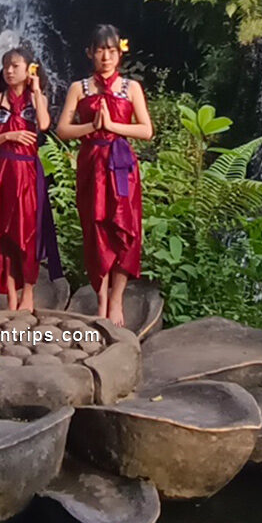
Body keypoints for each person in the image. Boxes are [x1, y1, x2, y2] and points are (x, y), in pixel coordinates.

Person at [55, 25, 153, 326]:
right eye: (100, 50)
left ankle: (116, 300)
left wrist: (111, 126)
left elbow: (146, 130)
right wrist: (92, 127)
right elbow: (62, 129)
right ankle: (100, 300)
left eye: (111, 50)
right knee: (95, 230)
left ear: (120, 53)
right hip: (92, 165)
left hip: (121, 166)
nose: (106, 57)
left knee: (125, 230)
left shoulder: (131, 88)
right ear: (90, 53)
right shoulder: (79, 88)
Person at [0, 47, 62, 311]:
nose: (9, 71)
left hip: (28, 173)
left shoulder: (37, 100)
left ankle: (28, 292)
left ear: (29, 69)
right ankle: (11, 296)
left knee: (28, 233)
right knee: (4, 233)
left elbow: (45, 124)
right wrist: (8, 136)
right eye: (6, 66)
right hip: (3, 173)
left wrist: (36, 91)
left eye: (15, 66)